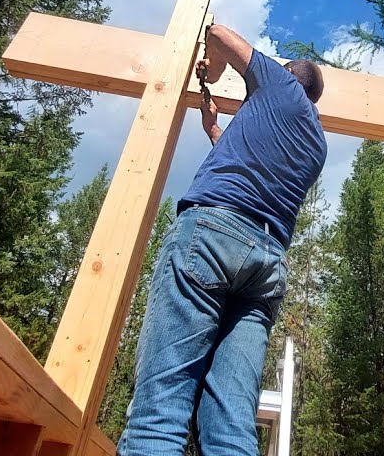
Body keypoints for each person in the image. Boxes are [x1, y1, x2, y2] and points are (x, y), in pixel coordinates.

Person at [117, 23, 327, 455]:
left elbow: (218, 32)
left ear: (287, 76)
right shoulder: (315, 142)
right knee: (231, 422)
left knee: (161, 409)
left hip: (214, 237)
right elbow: (245, 158)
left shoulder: (279, 85)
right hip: (265, 263)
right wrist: (214, 128)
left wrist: (210, 72)